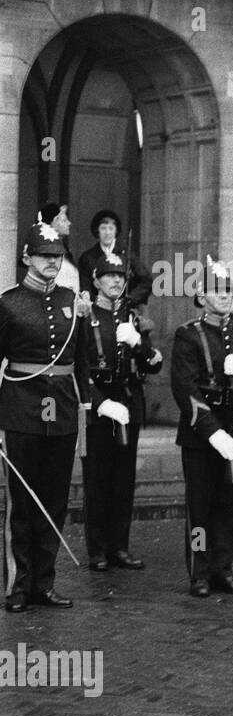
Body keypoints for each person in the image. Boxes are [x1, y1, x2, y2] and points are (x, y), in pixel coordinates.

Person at [1, 220, 91, 613]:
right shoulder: (8, 303)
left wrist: (85, 404)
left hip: (63, 412)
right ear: (26, 258)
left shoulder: (74, 299)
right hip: (21, 408)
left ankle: (44, 583)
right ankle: (18, 585)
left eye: (57, 256)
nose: (53, 262)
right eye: (44, 256)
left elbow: (82, 359)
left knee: (53, 500)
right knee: (22, 502)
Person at [171, 257, 233, 598]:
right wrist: (211, 430)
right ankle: (199, 571)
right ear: (202, 296)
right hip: (201, 435)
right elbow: (184, 387)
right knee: (201, 509)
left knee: (230, 506)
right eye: (217, 291)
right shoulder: (188, 334)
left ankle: (224, 567)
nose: (224, 296)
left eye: (229, 291)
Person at [83, 248, 163, 572]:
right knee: (97, 479)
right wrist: (103, 403)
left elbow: (152, 364)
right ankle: (97, 550)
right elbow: (77, 370)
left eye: (119, 276)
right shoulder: (86, 316)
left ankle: (120, 546)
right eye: (109, 276)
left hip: (127, 406)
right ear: (96, 280)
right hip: (96, 408)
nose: (115, 281)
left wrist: (137, 343)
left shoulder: (130, 317)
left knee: (123, 479)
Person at [76, 208, 151, 308]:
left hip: (123, 310)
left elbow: (146, 280)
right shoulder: (88, 257)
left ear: (116, 231)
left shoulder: (127, 255)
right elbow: (84, 287)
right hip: (97, 309)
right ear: (97, 231)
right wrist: (95, 301)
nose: (107, 233)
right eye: (103, 228)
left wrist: (129, 300)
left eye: (111, 228)